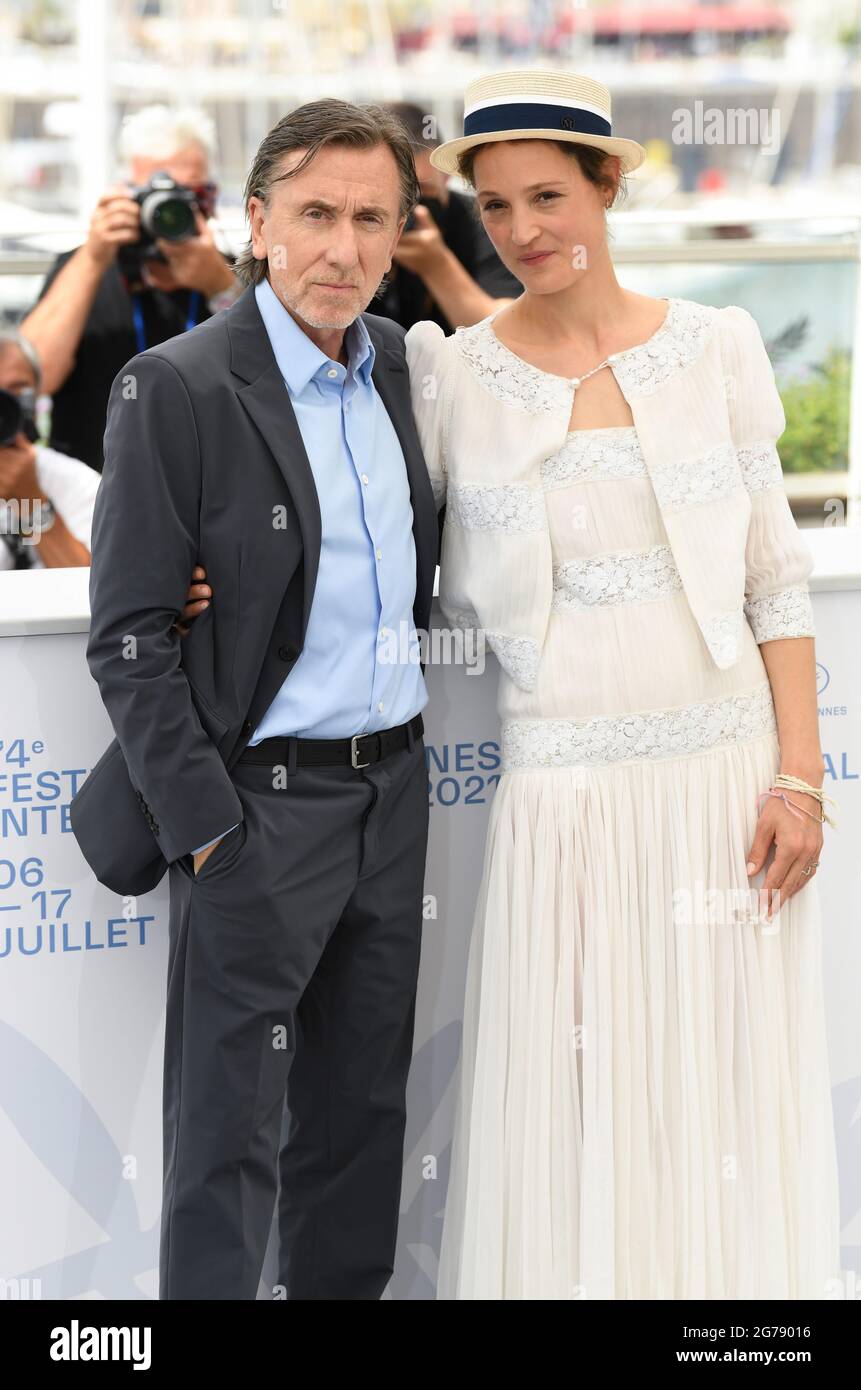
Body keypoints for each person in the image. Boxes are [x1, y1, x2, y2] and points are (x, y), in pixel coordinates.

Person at [403, 69, 842, 1298]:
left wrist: (798, 780)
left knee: (724, 1110)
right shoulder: (451, 378)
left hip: (725, 791)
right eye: (493, 207)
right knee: (576, 1107)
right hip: (563, 809)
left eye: (548, 194)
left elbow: (776, 584)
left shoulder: (718, 346)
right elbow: (372, 550)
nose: (524, 230)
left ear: (607, 184)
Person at [70, 99, 438, 1300]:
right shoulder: (173, 387)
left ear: (399, 233)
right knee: (228, 1140)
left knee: (360, 1121)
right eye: (318, 215)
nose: (344, 248)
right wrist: (213, 833)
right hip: (258, 815)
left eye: (371, 219)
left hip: (392, 795)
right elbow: (128, 639)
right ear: (257, 222)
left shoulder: (398, 376)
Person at [20, 105, 242, 471]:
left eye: (187, 195)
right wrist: (93, 258)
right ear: (124, 196)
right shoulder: (85, 269)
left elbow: (281, 365)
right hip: (94, 492)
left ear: (210, 198)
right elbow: (33, 377)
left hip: (209, 494)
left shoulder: (234, 274)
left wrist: (221, 286)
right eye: (151, 195)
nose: (168, 211)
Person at [368, 102, 520, 332]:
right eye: (394, 198)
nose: (408, 212)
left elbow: (511, 333)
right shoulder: (351, 230)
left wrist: (437, 266)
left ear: (446, 176)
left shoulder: (484, 221)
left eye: (421, 193)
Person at [0, 330, 98, 569]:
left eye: (16, 390)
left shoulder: (77, 482)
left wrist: (32, 502)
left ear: (37, 395)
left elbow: (91, 591)